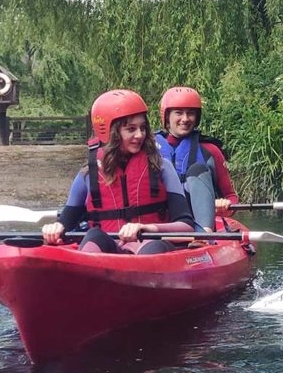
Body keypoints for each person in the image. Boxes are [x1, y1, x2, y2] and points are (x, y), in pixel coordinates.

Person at [41, 89, 201, 254]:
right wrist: (56, 228)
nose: (140, 135)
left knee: (154, 245)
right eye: (131, 129)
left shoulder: (161, 167)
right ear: (112, 133)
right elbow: (66, 222)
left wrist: (147, 228)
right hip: (106, 249)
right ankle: (90, 274)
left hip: (149, 247)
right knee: (94, 235)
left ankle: (143, 275)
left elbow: (186, 226)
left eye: (142, 128)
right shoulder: (88, 174)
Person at [154, 86, 239, 224]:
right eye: (178, 113)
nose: (185, 119)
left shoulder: (210, 150)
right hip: (162, 225)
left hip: (200, 223)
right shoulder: (149, 149)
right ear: (167, 116)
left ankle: (204, 234)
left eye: (190, 113)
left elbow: (231, 196)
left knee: (197, 170)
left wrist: (225, 204)